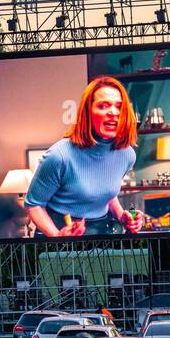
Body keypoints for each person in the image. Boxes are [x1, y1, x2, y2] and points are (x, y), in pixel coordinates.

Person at [24, 76, 147, 237]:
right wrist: (57, 236)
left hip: (103, 229)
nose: (113, 112)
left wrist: (122, 216)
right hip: (60, 230)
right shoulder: (59, 156)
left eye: (119, 107)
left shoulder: (127, 154)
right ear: (87, 113)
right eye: (103, 106)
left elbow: (105, 193)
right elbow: (34, 204)